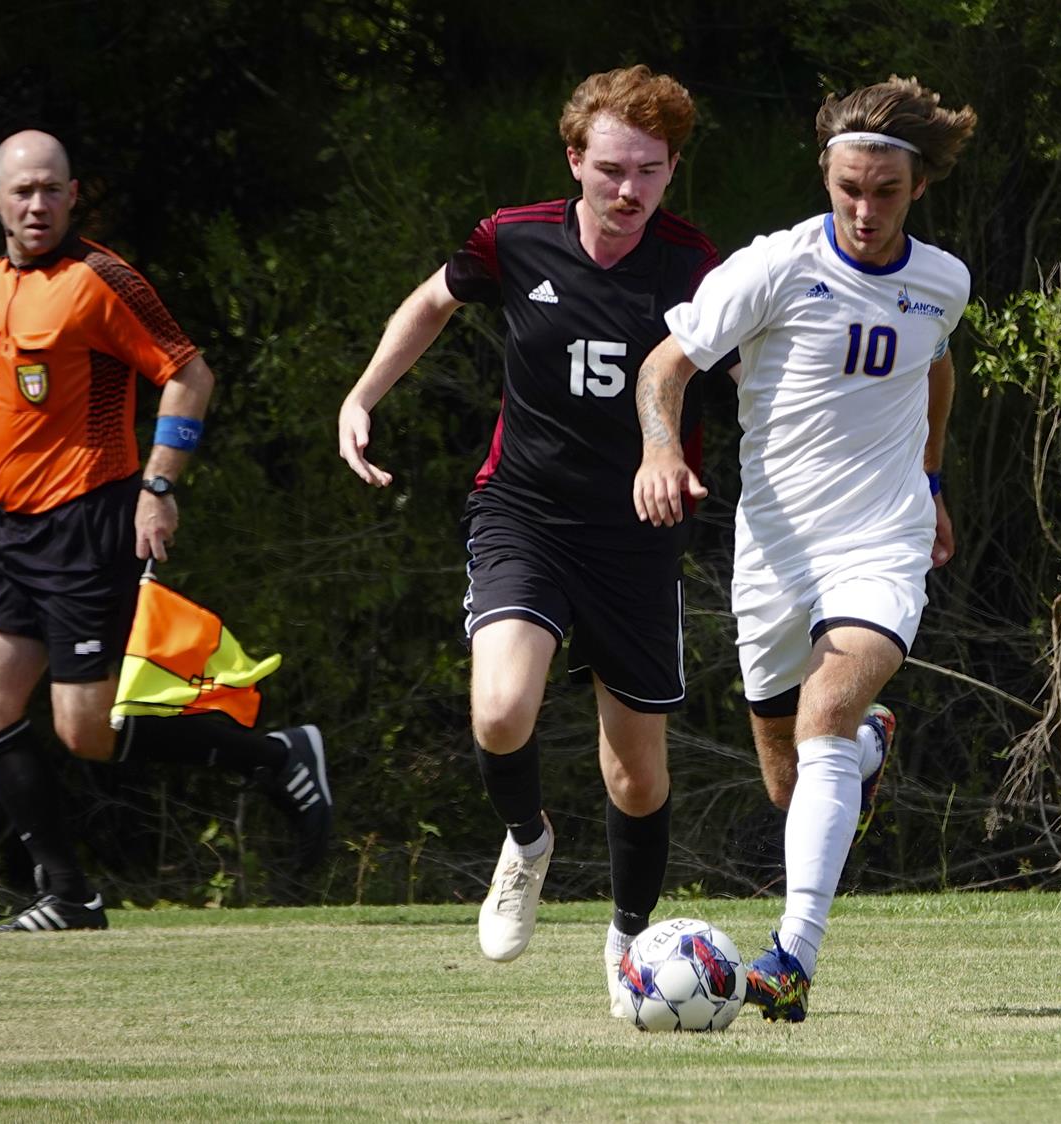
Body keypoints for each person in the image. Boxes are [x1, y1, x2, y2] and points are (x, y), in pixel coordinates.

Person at [338, 66, 731, 1016]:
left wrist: (672, 453)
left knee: (636, 774)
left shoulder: (696, 266)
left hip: (638, 533)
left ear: (673, 170)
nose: (628, 189)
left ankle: (632, 942)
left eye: (648, 169)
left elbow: (739, 376)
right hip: (525, 513)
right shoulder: (514, 238)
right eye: (610, 168)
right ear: (574, 161)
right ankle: (527, 840)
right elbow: (434, 300)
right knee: (501, 712)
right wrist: (362, 395)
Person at [0, 130, 333, 932]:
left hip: (92, 520)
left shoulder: (101, 280)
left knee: (86, 734)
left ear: (72, 194)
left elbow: (190, 373)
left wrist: (159, 484)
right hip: (13, 530)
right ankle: (68, 894)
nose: (37, 204)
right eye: (21, 191)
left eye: (51, 189)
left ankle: (275, 756)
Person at [632, 76, 977, 1022]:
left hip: (883, 536)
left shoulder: (941, 281)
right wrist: (662, 448)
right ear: (827, 176)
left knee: (826, 706)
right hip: (774, 549)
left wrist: (933, 482)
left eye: (886, 194)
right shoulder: (773, 268)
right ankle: (863, 751)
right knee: (791, 779)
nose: (865, 212)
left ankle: (791, 961)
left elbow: (935, 362)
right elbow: (667, 365)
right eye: (848, 190)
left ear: (918, 188)